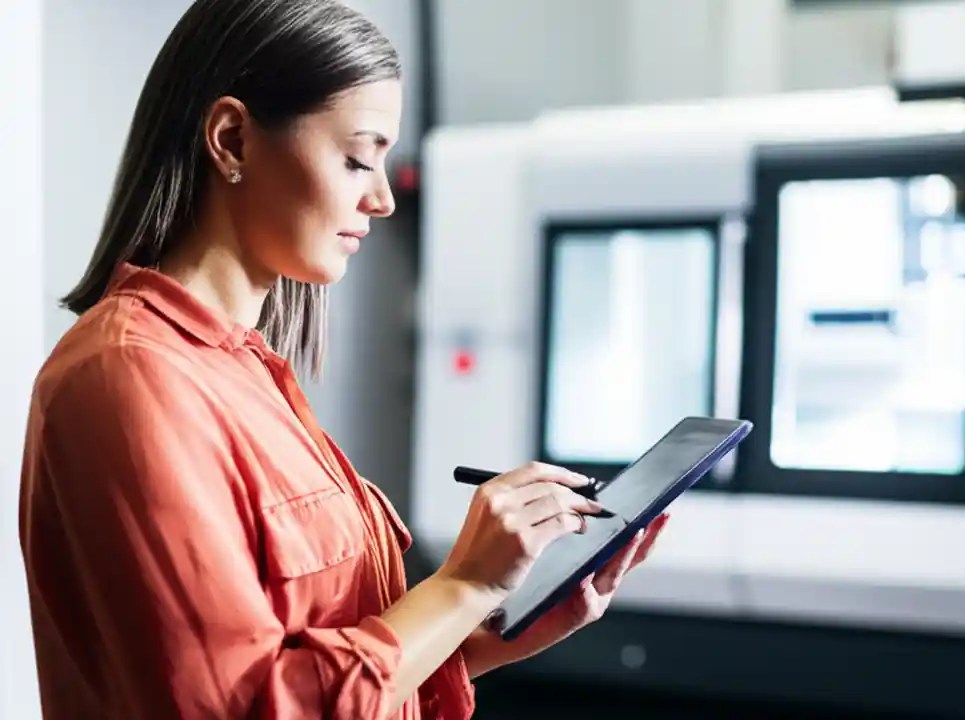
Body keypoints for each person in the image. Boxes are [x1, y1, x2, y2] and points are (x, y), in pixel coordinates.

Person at [18, 1, 670, 718]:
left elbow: (342, 662)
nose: (384, 197)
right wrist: (463, 584)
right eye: (359, 157)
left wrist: (497, 628)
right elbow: (248, 707)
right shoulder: (130, 380)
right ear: (231, 139)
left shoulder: (247, 379)